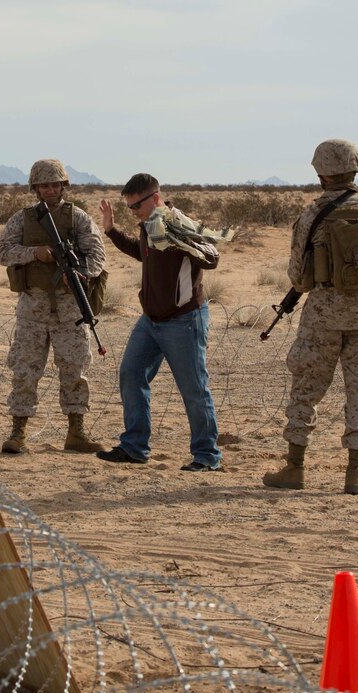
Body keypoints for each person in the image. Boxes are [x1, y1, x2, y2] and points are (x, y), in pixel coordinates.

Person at [263, 139, 358, 494]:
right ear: (355, 168)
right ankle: (357, 471)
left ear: (321, 173)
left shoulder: (311, 214)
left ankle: (294, 468)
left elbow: (298, 277)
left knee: (306, 388)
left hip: (321, 319)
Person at [97, 174, 229, 472]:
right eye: (129, 207)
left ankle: (207, 456)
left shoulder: (175, 222)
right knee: (131, 373)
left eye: (136, 206)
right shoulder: (150, 225)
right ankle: (134, 448)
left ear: (155, 198)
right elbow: (142, 254)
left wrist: (186, 241)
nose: (134, 212)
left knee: (194, 389)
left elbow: (212, 258)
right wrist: (111, 230)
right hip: (151, 320)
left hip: (183, 320)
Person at [0, 158, 107, 455]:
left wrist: (80, 273)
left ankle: (76, 433)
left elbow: (97, 254)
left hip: (69, 309)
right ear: (35, 188)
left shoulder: (78, 218)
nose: (50, 190)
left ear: (63, 186)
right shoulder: (23, 219)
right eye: (44, 185)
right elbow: (3, 252)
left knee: (74, 369)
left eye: (55, 184)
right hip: (32, 308)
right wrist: (35, 253)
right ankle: (18, 433)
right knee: (24, 370)